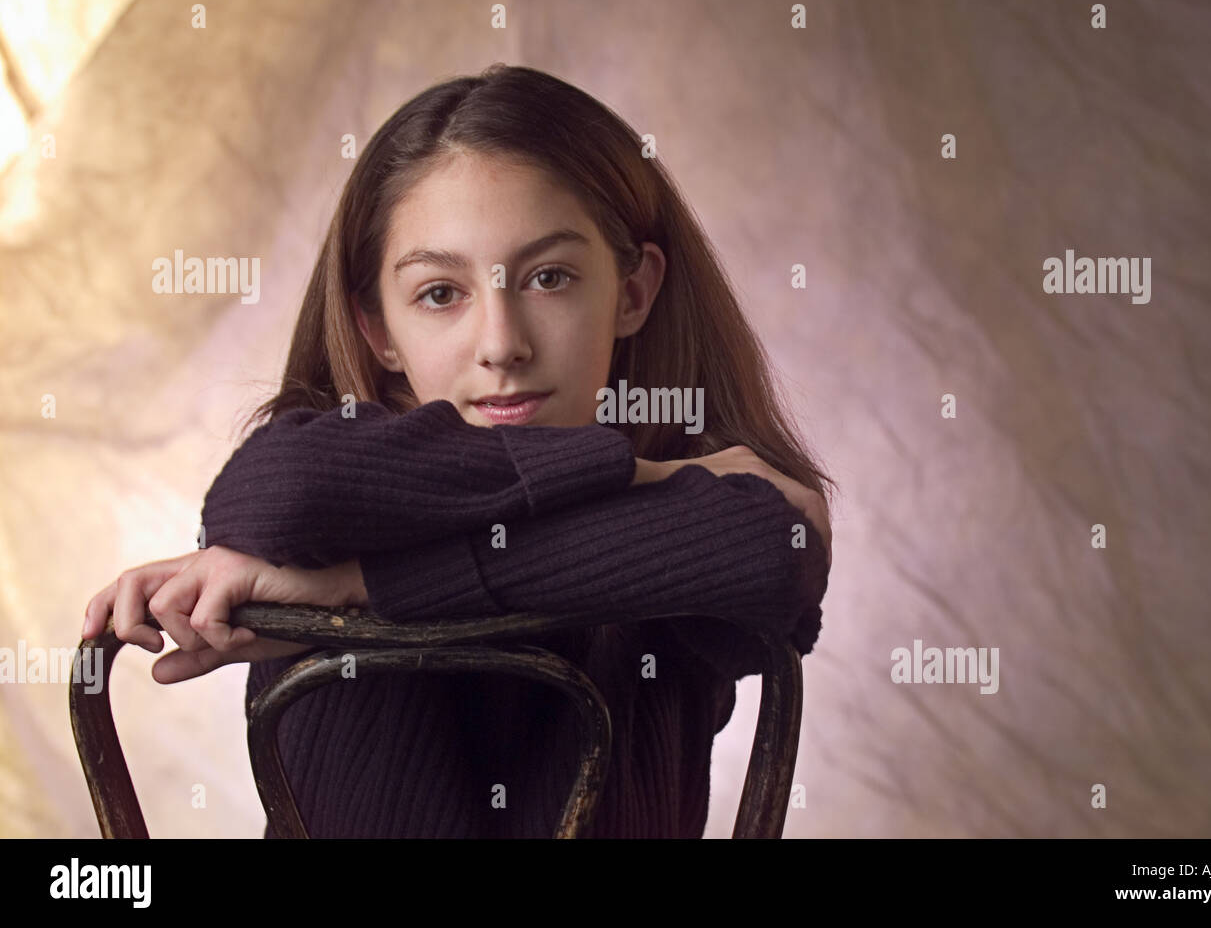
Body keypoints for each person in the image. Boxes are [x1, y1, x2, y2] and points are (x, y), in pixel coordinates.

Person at [83, 63, 835, 837]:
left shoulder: (702, 520)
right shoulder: (324, 467)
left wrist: (353, 586)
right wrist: (644, 474)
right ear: (377, 327)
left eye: (548, 277)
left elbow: (771, 549)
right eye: (441, 293)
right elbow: (287, 495)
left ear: (633, 293)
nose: (501, 344)